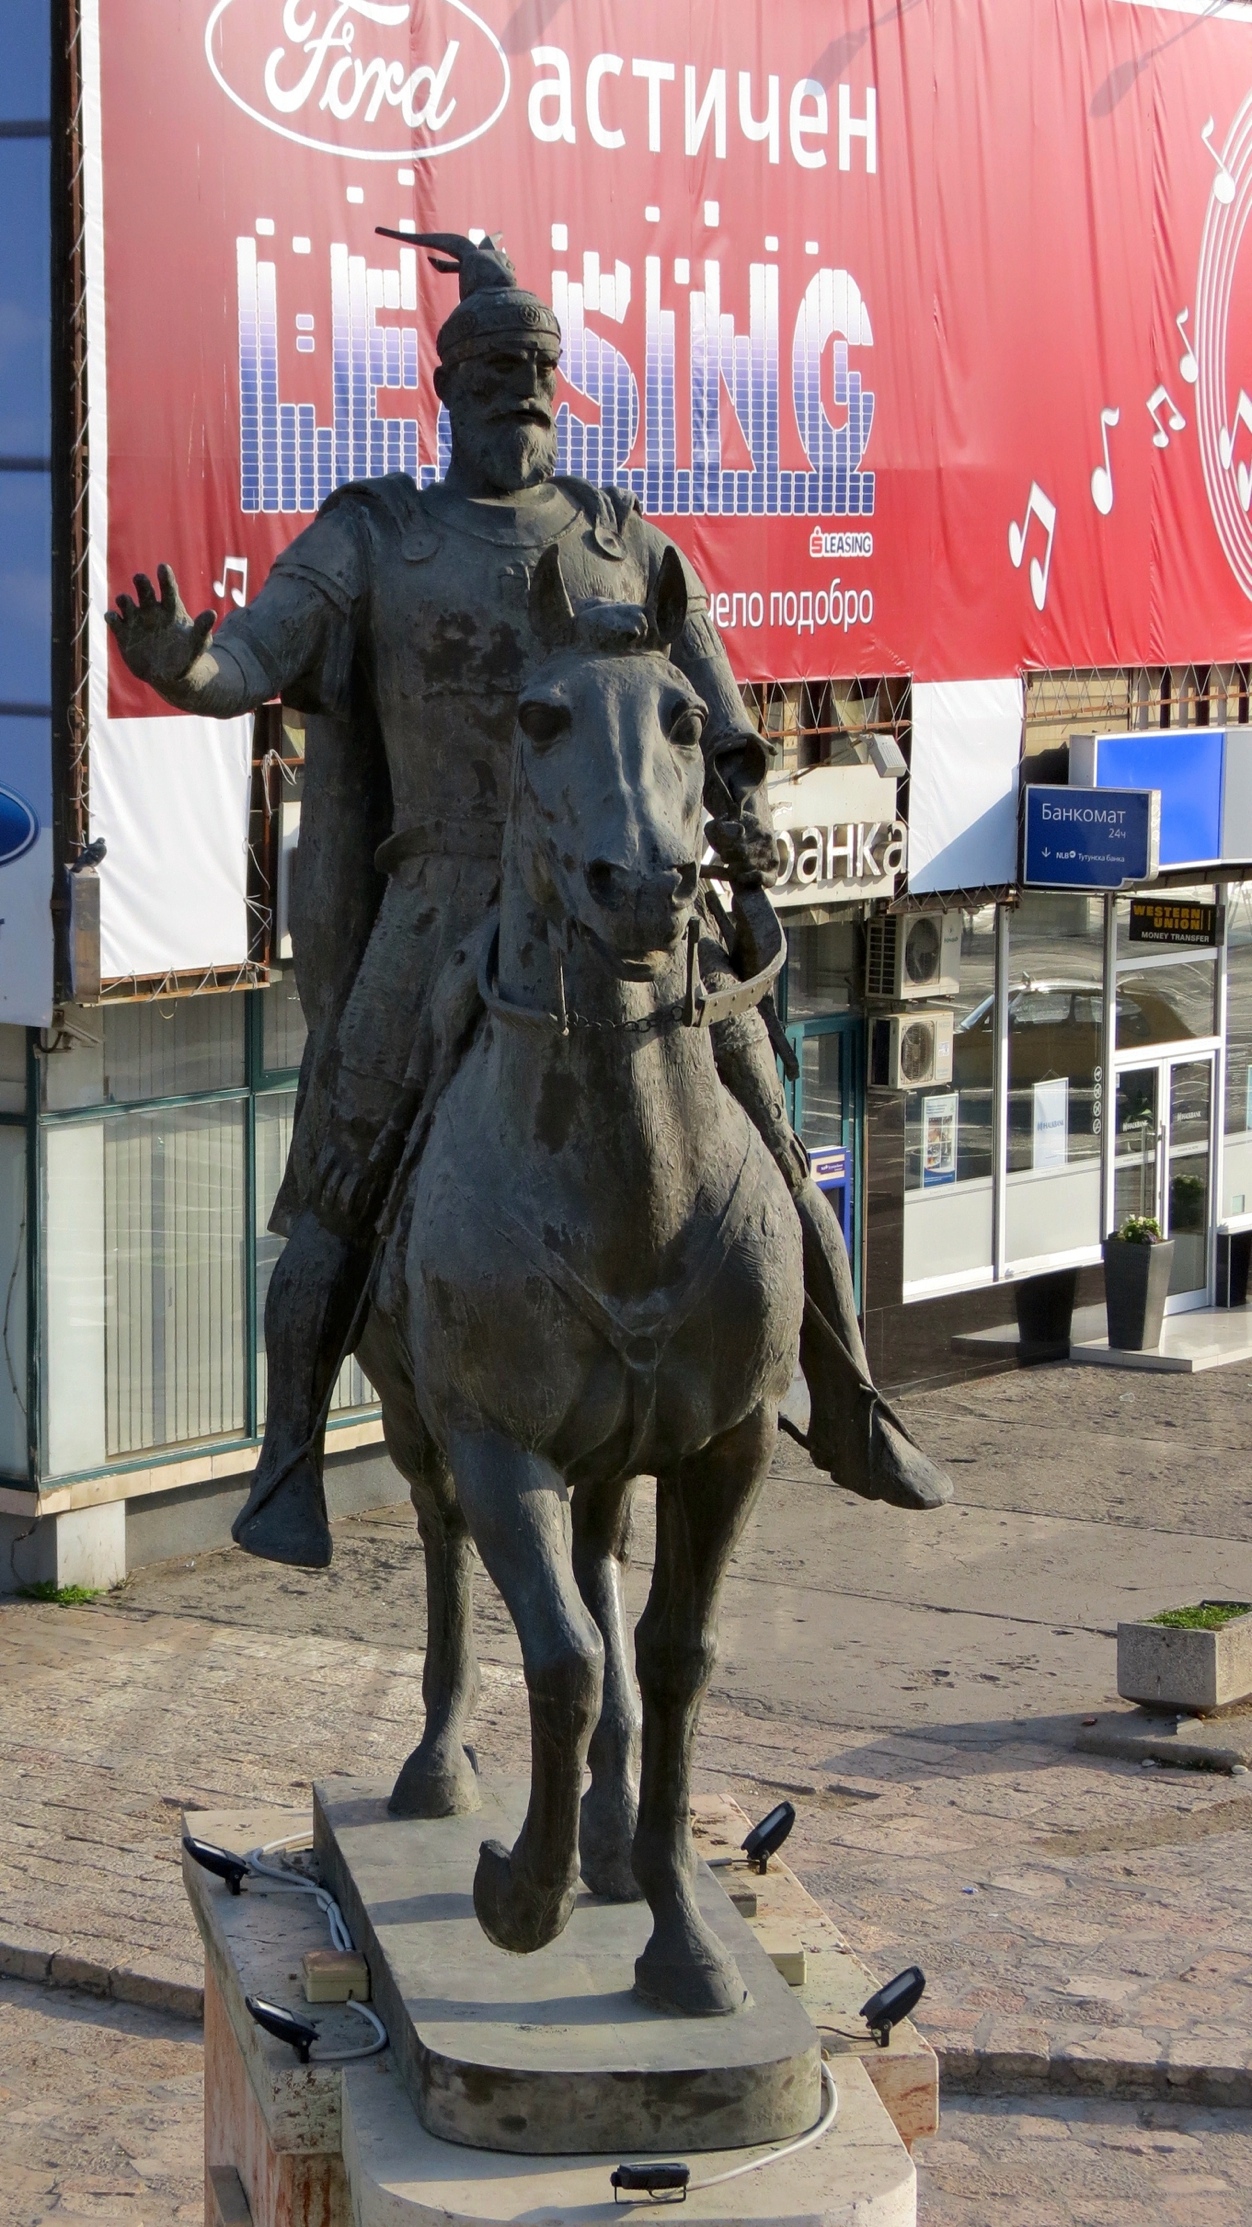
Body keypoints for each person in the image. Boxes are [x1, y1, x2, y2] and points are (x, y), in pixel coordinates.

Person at [106, 234, 950, 1567]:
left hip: (629, 914)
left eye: (543, 373)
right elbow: (248, 660)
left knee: (769, 1129)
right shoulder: (377, 535)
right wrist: (185, 666)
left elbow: (724, 732)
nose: (526, 394)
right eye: (499, 371)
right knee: (339, 1169)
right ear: (450, 389)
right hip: (441, 903)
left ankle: (845, 1395)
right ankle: (283, 1467)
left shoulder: (627, 542)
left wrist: (743, 828)